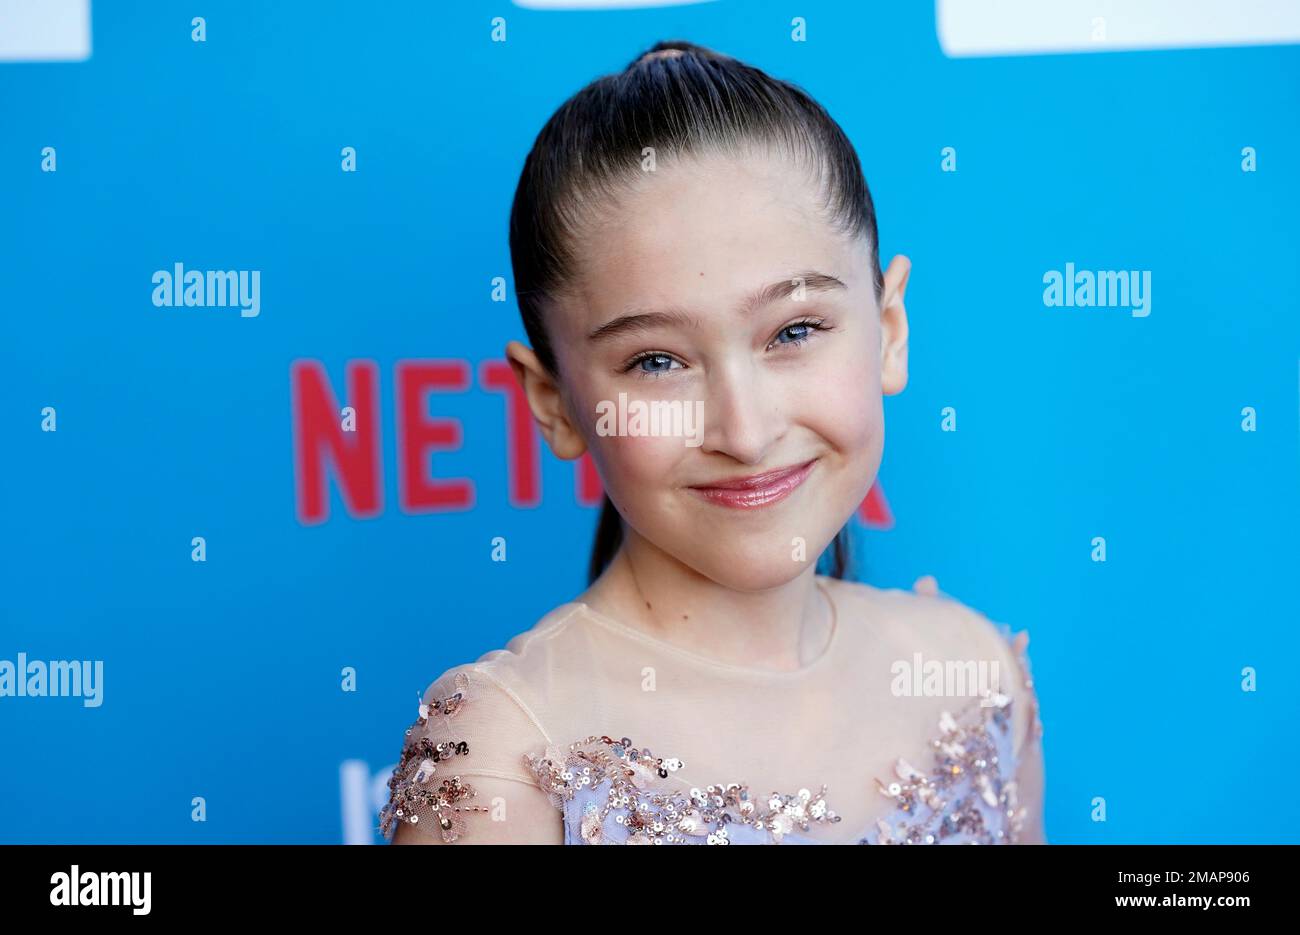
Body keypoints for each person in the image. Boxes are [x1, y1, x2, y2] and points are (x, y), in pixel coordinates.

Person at [382, 39, 1045, 845]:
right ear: (553, 401)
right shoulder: (500, 758)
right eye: (656, 361)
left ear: (891, 329)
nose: (745, 428)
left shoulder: (972, 674)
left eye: (794, 330)